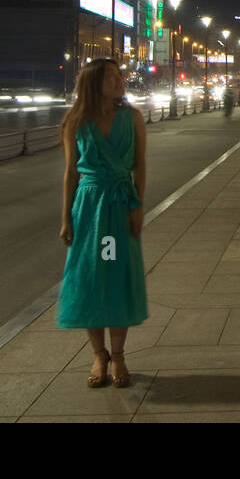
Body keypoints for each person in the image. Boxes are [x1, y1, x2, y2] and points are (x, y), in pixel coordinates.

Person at [57, 57, 147, 388]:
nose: (119, 80)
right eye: (111, 77)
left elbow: (140, 164)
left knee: (117, 276)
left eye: (119, 75)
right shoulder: (76, 122)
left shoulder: (132, 118)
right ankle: (99, 355)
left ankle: (119, 356)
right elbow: (70, 173)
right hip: (89, 206)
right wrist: (66, 218)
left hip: (121, 204)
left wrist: (138, 207)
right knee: (90, 279)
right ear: (94, 83)